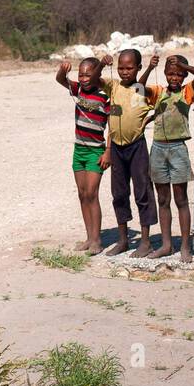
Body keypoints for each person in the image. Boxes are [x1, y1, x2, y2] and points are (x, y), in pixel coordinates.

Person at [143, 54, 194, 262]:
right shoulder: (158, 92)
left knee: (181, 199)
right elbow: (139, 89)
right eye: (170, 73)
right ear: (165, 74)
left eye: (178, 74)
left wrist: (183, 65)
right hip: (158, 149)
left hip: (178, 149)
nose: (174, 77)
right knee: (163, 199)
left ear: (184, 75)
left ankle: (185, 246)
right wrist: (149, 68)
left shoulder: (187, 92)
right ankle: (167, 245)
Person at [104, 48, 158, 257]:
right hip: (117, 148)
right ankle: (123, 240)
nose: (124, 72)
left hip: (137, 147)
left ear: (138, 68)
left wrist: (152, 68)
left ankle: (145, 242)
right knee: (119, 193)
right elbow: (95, 79)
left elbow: (140, 86)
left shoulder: (142, 90)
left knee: (142, 192)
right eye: (120, 67)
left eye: (129, 68)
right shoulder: (113, 87)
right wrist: (102, 62)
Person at [55, 56, 112, 255]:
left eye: (89, 74)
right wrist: (64, 70)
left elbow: (113, 126)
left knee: (92, 194)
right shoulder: (77, 90)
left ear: (97, 75)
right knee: (81, 194)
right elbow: (60, 80)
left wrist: (108, 151)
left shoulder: (105, 96)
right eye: (81, 74)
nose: (85, 78)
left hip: (96, 151)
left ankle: (97, 240)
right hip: (79, 150)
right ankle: (89, 237)